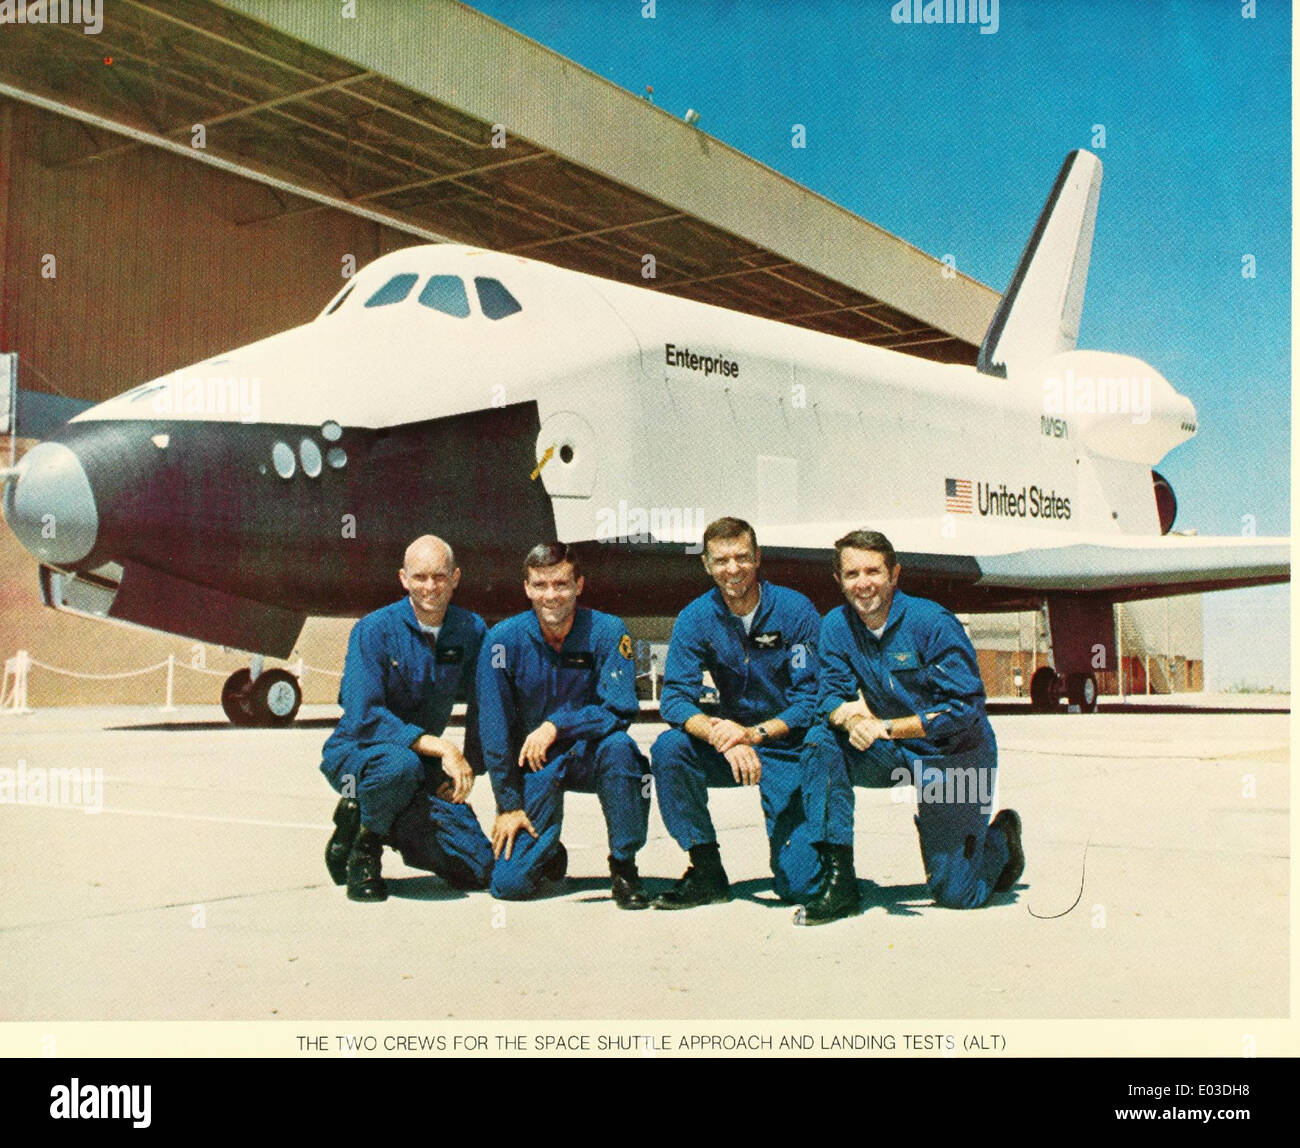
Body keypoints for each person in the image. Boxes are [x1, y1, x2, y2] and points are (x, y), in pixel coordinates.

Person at [797, 529, 1024, 925]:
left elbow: (964, 707)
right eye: (852, 574)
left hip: (954, 753)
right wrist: (851, 718)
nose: (863, 583)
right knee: (821, 741)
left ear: (894, 574)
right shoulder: (835, 626)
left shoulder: (931, 622)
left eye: (873, 571)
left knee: (957, 894)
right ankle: (839, 881)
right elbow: (828, 698)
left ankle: (1001, 839)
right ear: (839, 580)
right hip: (896, 752)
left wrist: (883, 726)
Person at [651, 517, 822, 909]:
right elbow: (675, 699)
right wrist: (719, 736)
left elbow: (810, 699)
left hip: (786, 746)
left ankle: (809, 853)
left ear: (758, 558)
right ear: (706, 565)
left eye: (742, 558)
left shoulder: (795, 611)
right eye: (721, 560)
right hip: (730, 746)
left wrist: (753, 734)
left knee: (799, 887)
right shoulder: (696, 618)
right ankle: (706, 869)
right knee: (670, 747)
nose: (733, 570)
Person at [320, 535, 494, 902]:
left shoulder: (470, 629)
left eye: (440, 577)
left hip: (422, 765)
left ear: (456, 577)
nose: (430, 587)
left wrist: (470, 767)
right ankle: (365, 848)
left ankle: (366, 817)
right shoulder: (373, 630)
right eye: (420, 577)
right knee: (398, 767)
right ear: (403, 578)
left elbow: (485, 704)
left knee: (478, 868)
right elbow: (363, 713)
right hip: (358, 755)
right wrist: (441, 746)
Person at [477, 542, 651, 908]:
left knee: (622, 751)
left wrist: (557, 725)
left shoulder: (607, 631)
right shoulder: (501, 641)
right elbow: (494, 728)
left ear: (579, 585)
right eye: (540, 585)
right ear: (526, 588)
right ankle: (547, 854)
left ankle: (623, 865)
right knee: (509, 885)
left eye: (561, 584)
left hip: (593, 753)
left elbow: (620, 709)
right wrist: (508, 805)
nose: (551, 595)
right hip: (537, 766)